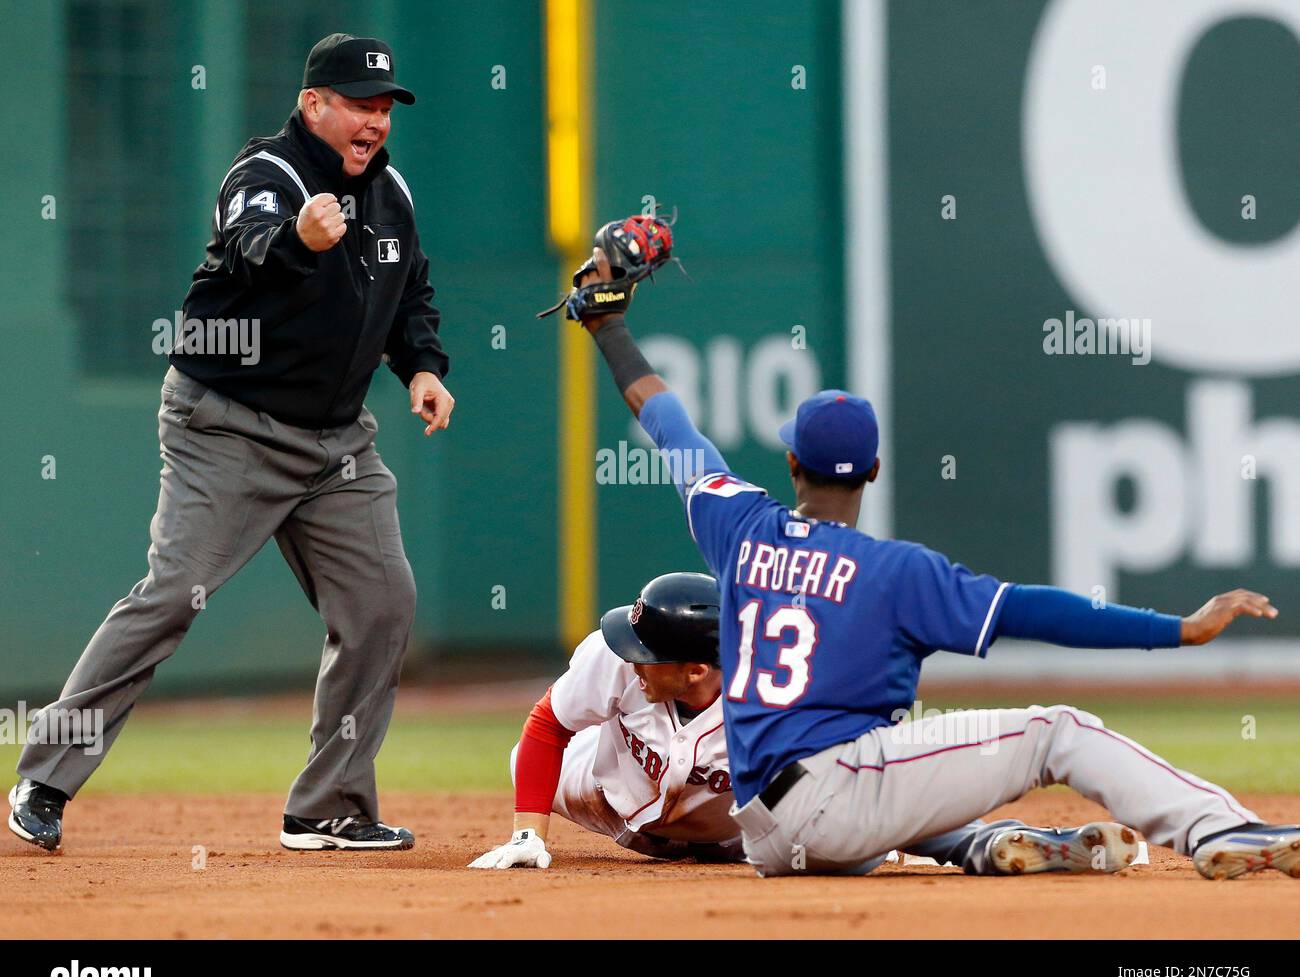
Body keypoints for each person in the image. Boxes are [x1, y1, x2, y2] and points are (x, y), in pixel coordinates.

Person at [565, 245, 1298, 881]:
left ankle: (981, 847)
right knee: (1058, 730)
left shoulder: (740, 527)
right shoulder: (898, 573)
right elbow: (1032, 610)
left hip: (762, 830)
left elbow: (669, 424)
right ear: (874, 470)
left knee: (892, 754)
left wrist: (609, 326)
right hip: (838, 805)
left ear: (791, 461)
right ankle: (1219, 831)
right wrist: (1176, 629)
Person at [8, 33, 453, 854]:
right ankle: (43, 776)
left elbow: (408, 292)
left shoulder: (391, 195)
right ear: (312, 104)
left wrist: (422, 367)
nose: (375, 121)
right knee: (173, 593)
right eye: (359, 103)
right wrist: (299, 243)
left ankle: (328, 806)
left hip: (337, 446)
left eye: (385, 107)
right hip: (229, 427)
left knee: (383, 603)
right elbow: (252, 252)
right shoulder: (265, 177)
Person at [468, 573, 1142, 877]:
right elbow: (549, 724)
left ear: (698, 669)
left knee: (855, 833)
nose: (632, 660)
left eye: (650, 656)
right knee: (524, 766)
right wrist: (529, 833)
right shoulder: (612, 663)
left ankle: (1004, 846)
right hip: (600, 793)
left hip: (735, 833)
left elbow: (858, 783)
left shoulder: (772, 704)